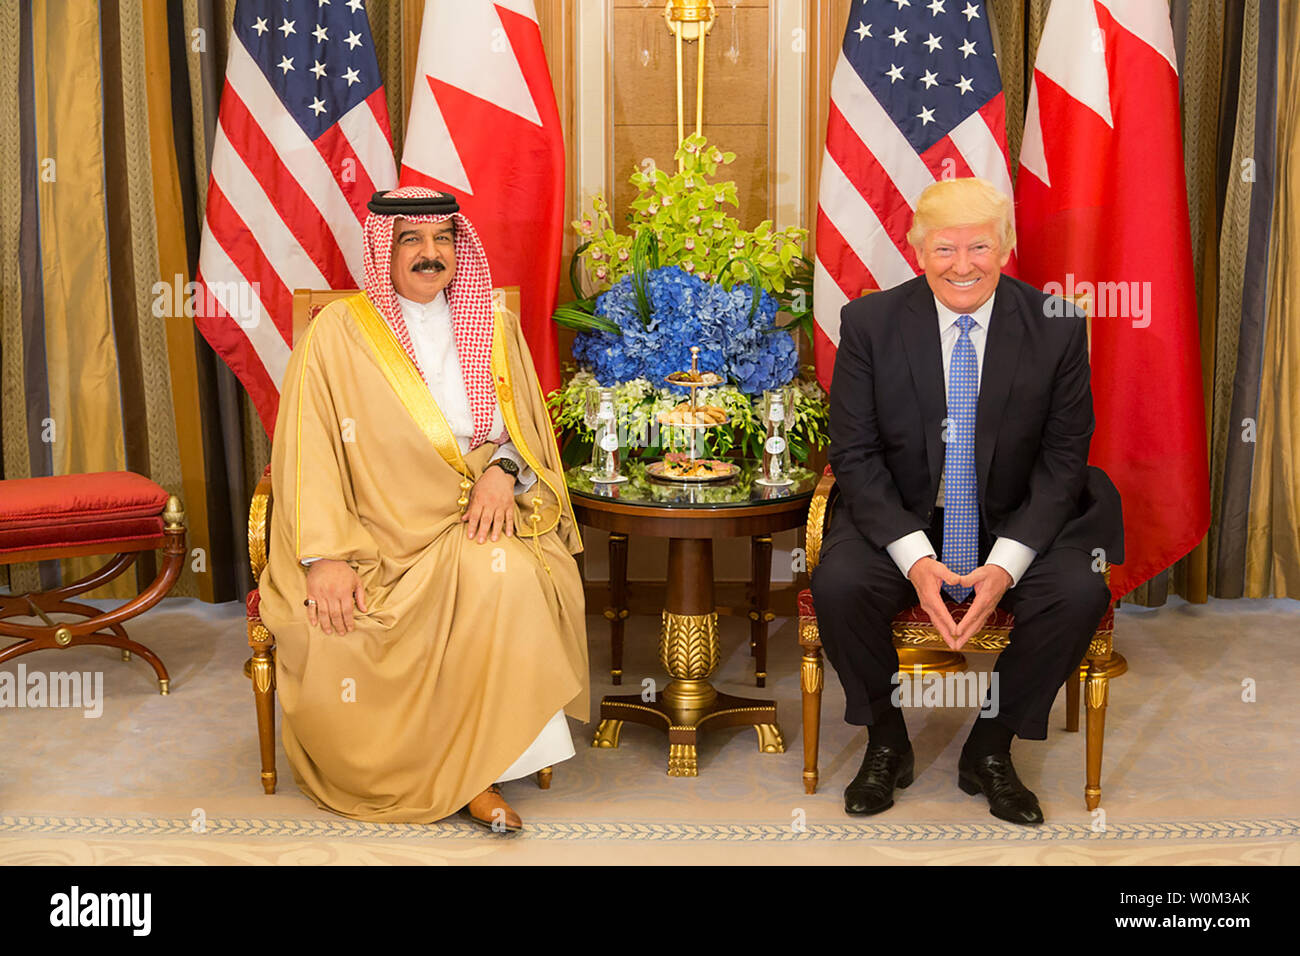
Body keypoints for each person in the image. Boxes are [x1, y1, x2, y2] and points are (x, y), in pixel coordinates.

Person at [257, 186, 589, 833]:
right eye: (411, 239)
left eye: (442, 240)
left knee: (511, 581)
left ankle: (483, 772)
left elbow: (526, 434)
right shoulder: (336, 335)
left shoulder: (495, 326)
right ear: (385, 251)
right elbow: (307, 451)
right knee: (339, 631)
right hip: (374, 535)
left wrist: (503, 472)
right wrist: (324, 556)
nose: (429, 253)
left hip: (477, 519)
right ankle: (446, 776)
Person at [810, 177, 1122, 825]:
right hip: (903, 516)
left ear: (1005, 248)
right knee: (840, 583)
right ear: (918, 250)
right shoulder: (869, 324)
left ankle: (991, 745)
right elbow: (856, 455)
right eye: (944, 248)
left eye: (978, 247)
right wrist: (916, 560)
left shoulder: (1057, 327)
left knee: (1077, 590)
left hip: (1017, 517)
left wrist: (1005, 565)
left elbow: (1064, 460)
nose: (962, 265)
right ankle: (887, 740)